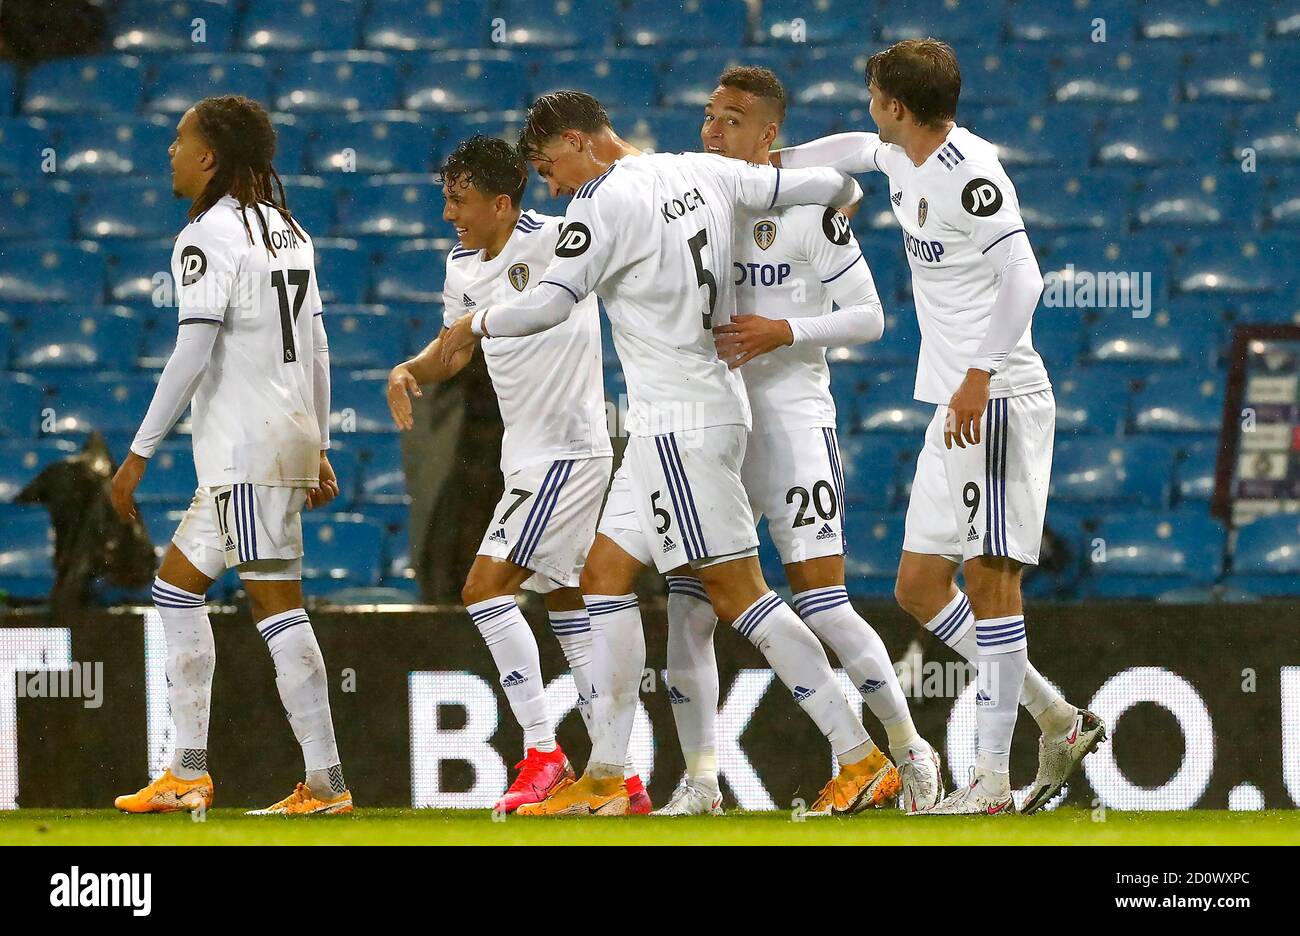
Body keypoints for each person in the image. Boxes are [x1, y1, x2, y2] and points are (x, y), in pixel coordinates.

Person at [442, 91, 901, 818]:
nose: (550, 182)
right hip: (683, 418)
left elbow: (551, 304)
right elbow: (813, 183)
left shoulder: (601, 203)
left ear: (577, 140)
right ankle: (606, 776)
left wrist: (476, 321)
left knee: (739, 595)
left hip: (682, 425)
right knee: (603, 574)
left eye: (547, 162)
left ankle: (859, 755)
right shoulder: (696, 169)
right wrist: (846, 190)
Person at [776, 39, 1106, 814]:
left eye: (872, 96)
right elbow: (858, 151)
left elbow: (1026, 275)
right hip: (955, 404)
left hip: (994, 399)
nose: (867, 108)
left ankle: (990, 781)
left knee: (992, 581)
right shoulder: (903, 155)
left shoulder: (972, 174)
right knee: (920, 588)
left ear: (897, 105)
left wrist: (980, 373)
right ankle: (1057, 718)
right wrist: (774, 159)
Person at [653, 66, 943, 817]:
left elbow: (871, 318)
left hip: (791, 420)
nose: (714, 131)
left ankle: (909, 750)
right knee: (689, 604)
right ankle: (702, 780)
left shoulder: (812, 207)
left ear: (770, 136)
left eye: (733, 120)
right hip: (713, 421)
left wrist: (785, 329)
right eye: (708, 116)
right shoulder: (693, 202)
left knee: (822, 600)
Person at [386, 135, 650, 813]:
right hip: (525, 456)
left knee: (483, 589)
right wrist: (413, 367)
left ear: (503, 204)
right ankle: (615, 774)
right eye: (446, 198)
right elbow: (455, 350)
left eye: (461, 200)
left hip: (568, 450)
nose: (450, 214)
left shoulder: (563, 241)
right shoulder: (461, 264)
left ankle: (543, 753)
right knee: (563, 604)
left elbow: (635, 220)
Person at [110, 95, 351, 816]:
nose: (171, 154)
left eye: (180, 141)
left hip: (245, 445)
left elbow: (192, 351)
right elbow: (317, 345)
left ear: (210, 156)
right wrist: (319, 440)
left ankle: (328, 784)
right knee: (176, 590)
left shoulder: (205, 237)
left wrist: (137, 455)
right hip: (271, 440)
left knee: (279, 611)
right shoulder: (290, 230)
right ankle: (187, 770)